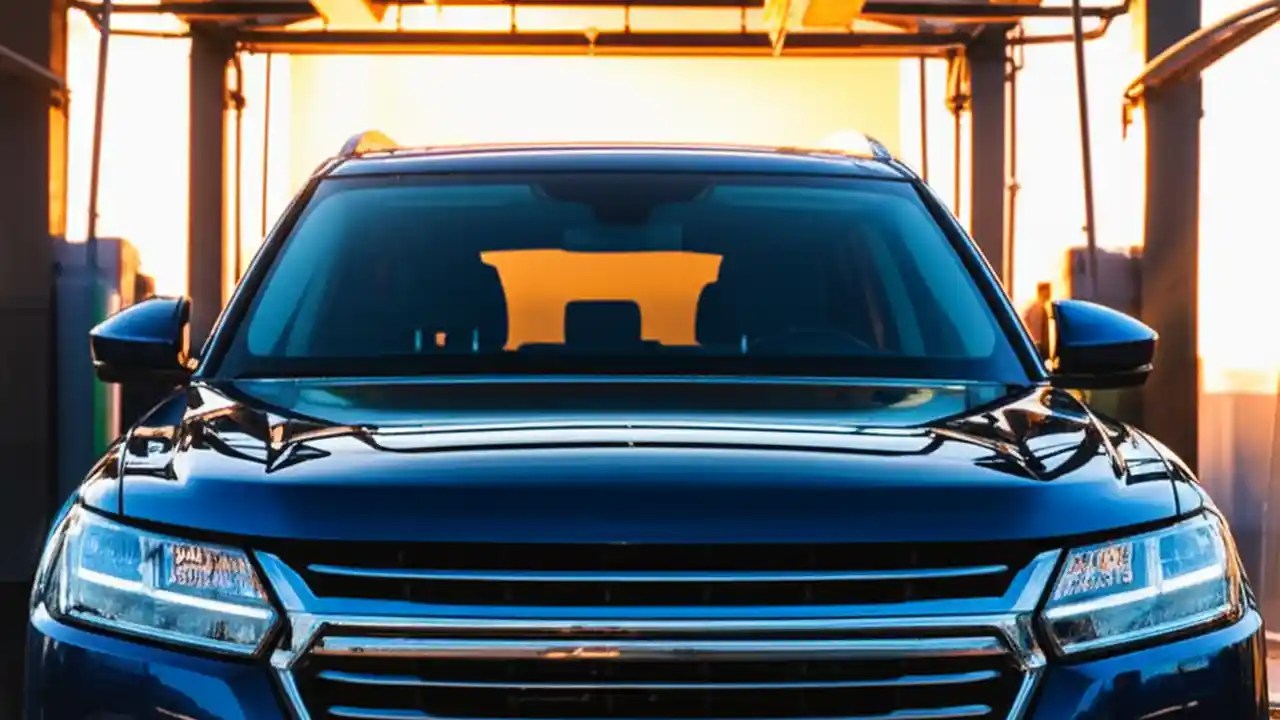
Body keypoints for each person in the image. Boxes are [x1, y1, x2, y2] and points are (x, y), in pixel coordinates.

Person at [1022, 281, 1052, 357]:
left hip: (1040, 344)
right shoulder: (1035, 308)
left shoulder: (1042, 308)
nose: (1049, 293)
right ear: (1041, 292)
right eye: (1047, 291)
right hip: (1038, 345)